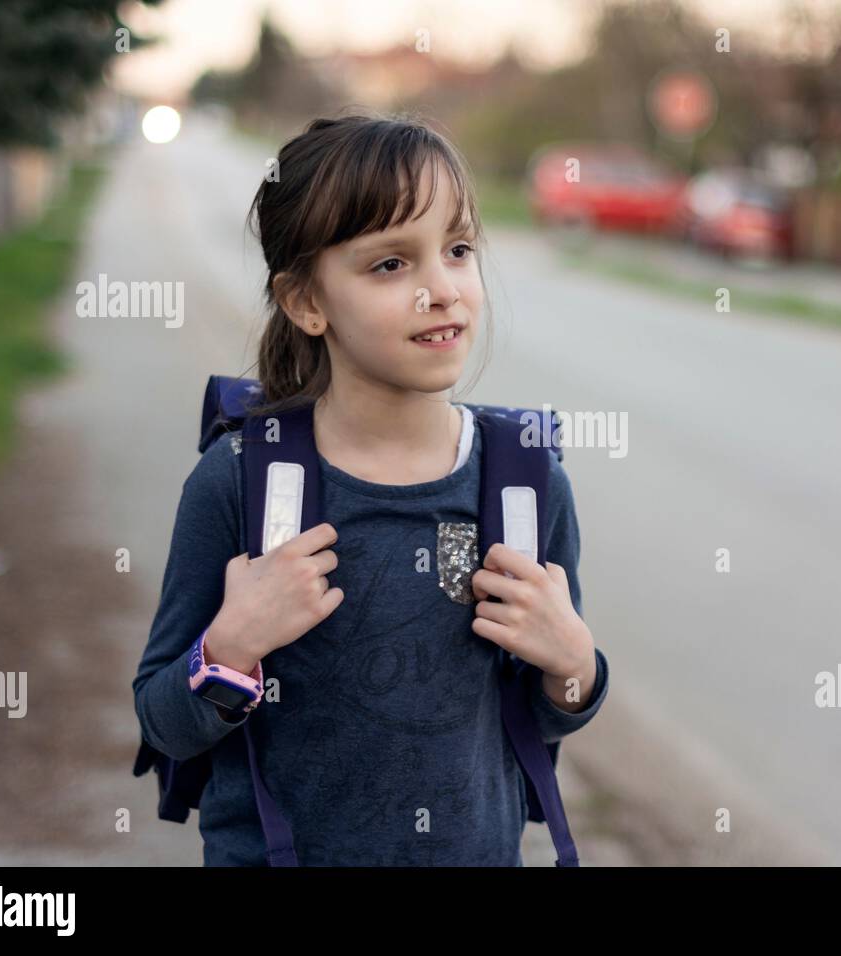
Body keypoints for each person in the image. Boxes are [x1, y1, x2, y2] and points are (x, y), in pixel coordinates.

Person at [132, 112, 609, 866]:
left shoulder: (522, 480)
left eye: (457, 250)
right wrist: (230, 647)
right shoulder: (241, 481)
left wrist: (575, 664)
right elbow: (163, 722)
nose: (441, 290)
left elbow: (546, 716)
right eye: (391, 265)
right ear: (306, 302)